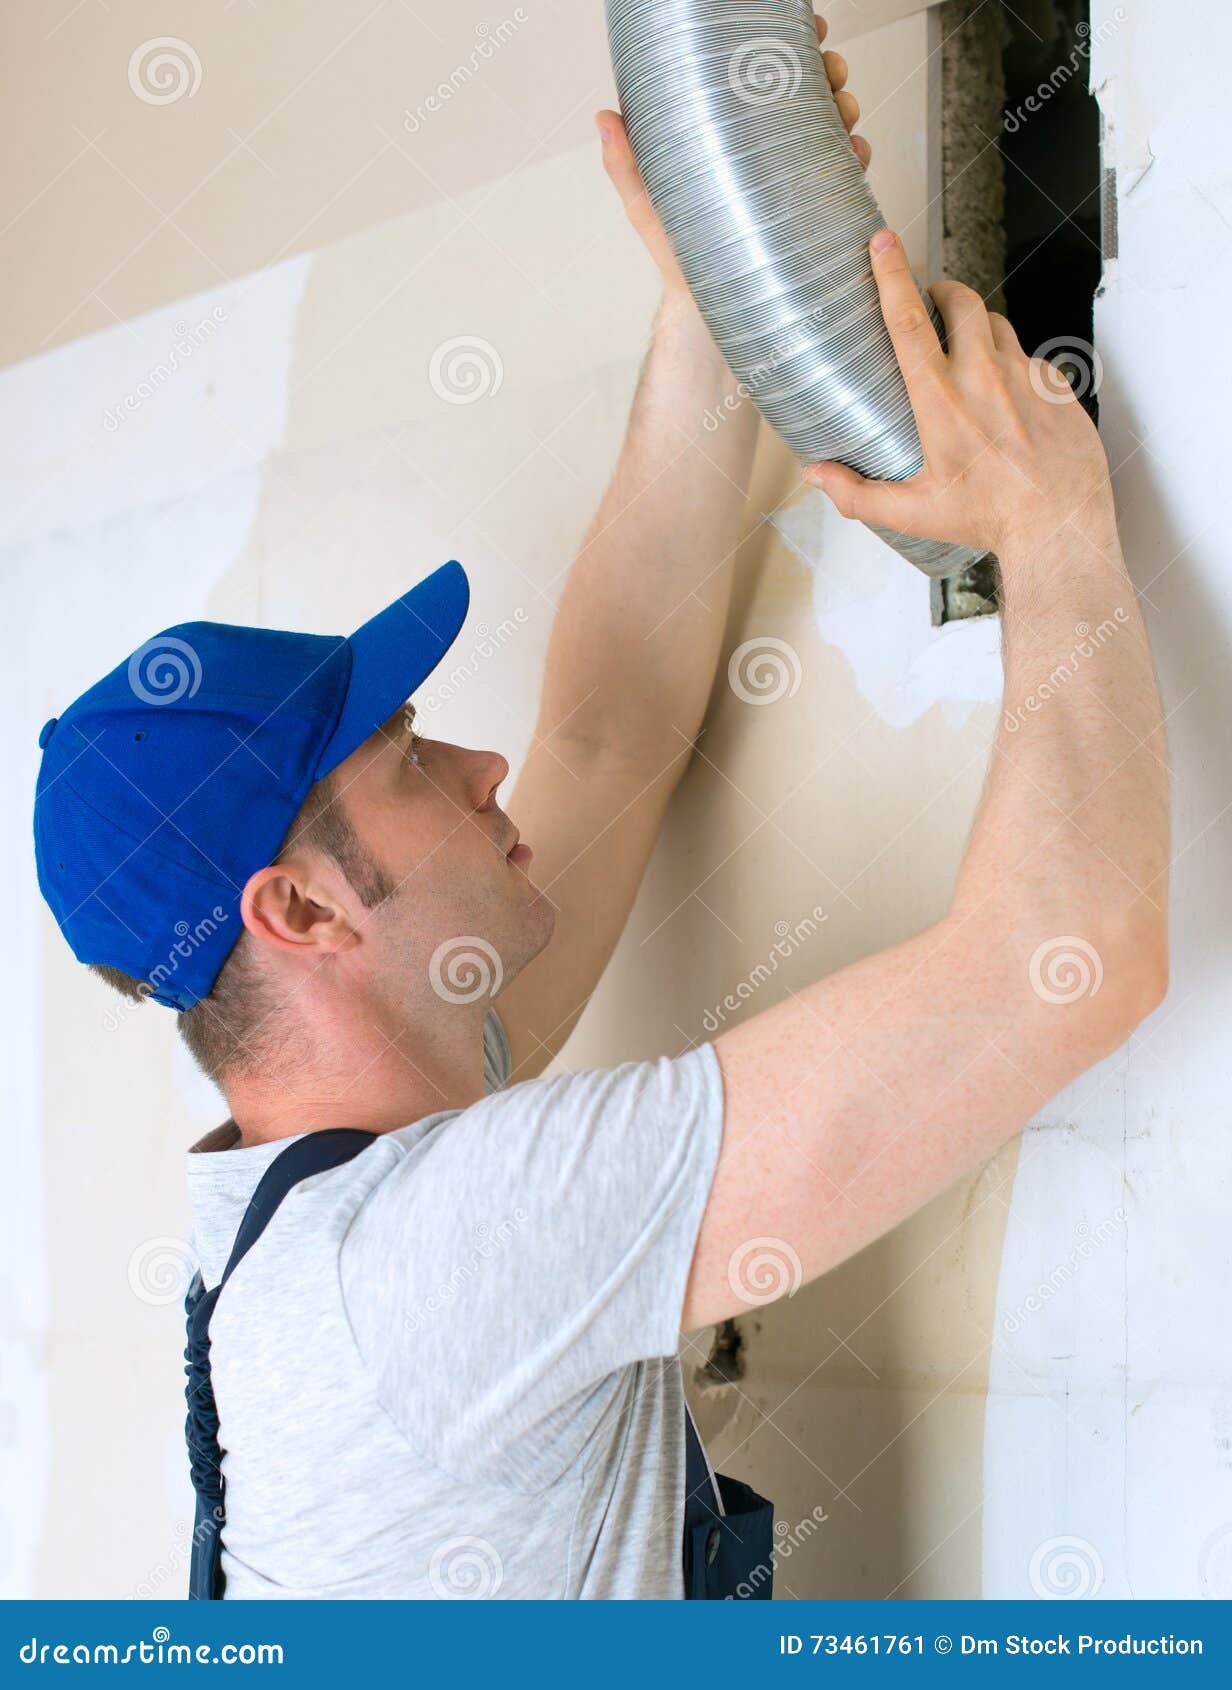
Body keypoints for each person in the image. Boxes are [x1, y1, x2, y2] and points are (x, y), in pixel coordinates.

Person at [32, 14, 1167, 1599]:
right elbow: (1075, 952)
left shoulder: (323, 1196)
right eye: (413, 758)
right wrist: (1056, 530)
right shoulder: (448, 1253)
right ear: (299, 912)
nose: (487, 768)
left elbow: (615, 722)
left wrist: (724, 280)